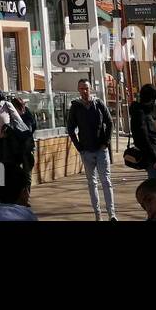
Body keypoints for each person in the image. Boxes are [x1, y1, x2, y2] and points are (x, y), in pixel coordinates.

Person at [66, 79, 116, 221]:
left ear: (91, 89)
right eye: (81, 89)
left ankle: (112, 214)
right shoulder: (76, 107)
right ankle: (97, 213)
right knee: (92, 183)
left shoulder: (98, 104)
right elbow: (70, 128)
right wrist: (79, 147)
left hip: (101, 150)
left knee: (106, 181)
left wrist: (106, 142)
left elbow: (109, 122)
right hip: (86, 151)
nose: (84, 91)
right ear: (78, 90)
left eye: (86, 88)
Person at [129, 84, 156, 181]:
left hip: (154, 154)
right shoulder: (140, 114)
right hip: (152, 157)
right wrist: (155, 158)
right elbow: (143, 138)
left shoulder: (143, 112)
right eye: (155, 99)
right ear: (150, 100)